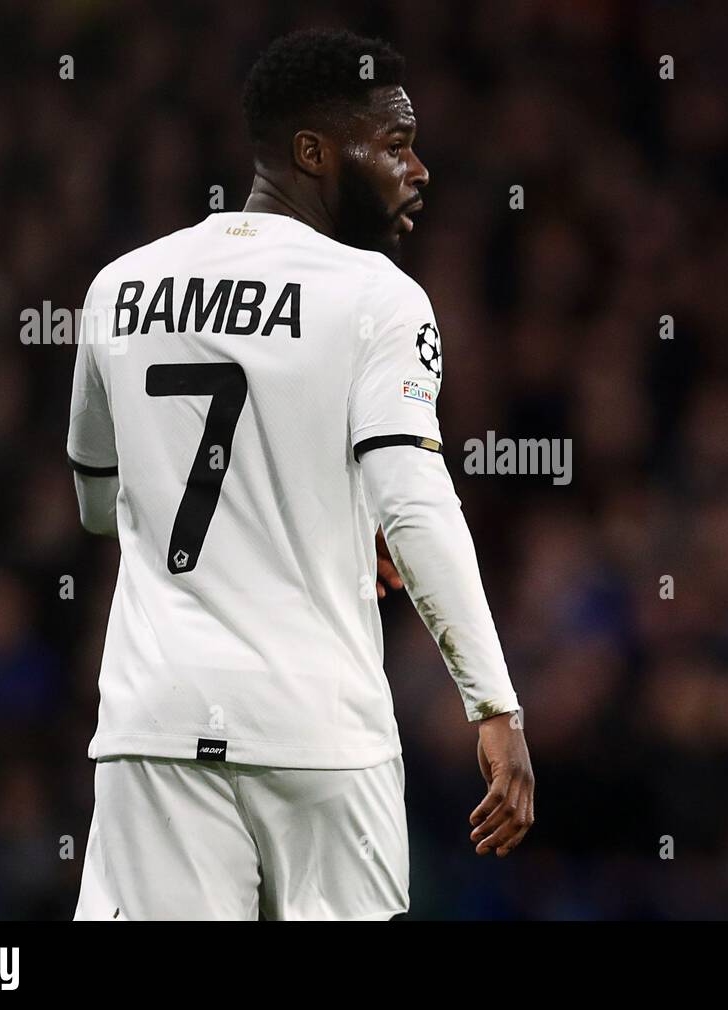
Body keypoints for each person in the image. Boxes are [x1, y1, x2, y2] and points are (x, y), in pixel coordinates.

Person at [66, 27, 533, 920]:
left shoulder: (117, 287)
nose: (419, 169)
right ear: (314, 154)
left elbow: (99, 503)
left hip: (158, 725)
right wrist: (495, 705)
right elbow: (415, 498)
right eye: (395, 145)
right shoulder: (377, 296)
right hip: (319, 731)